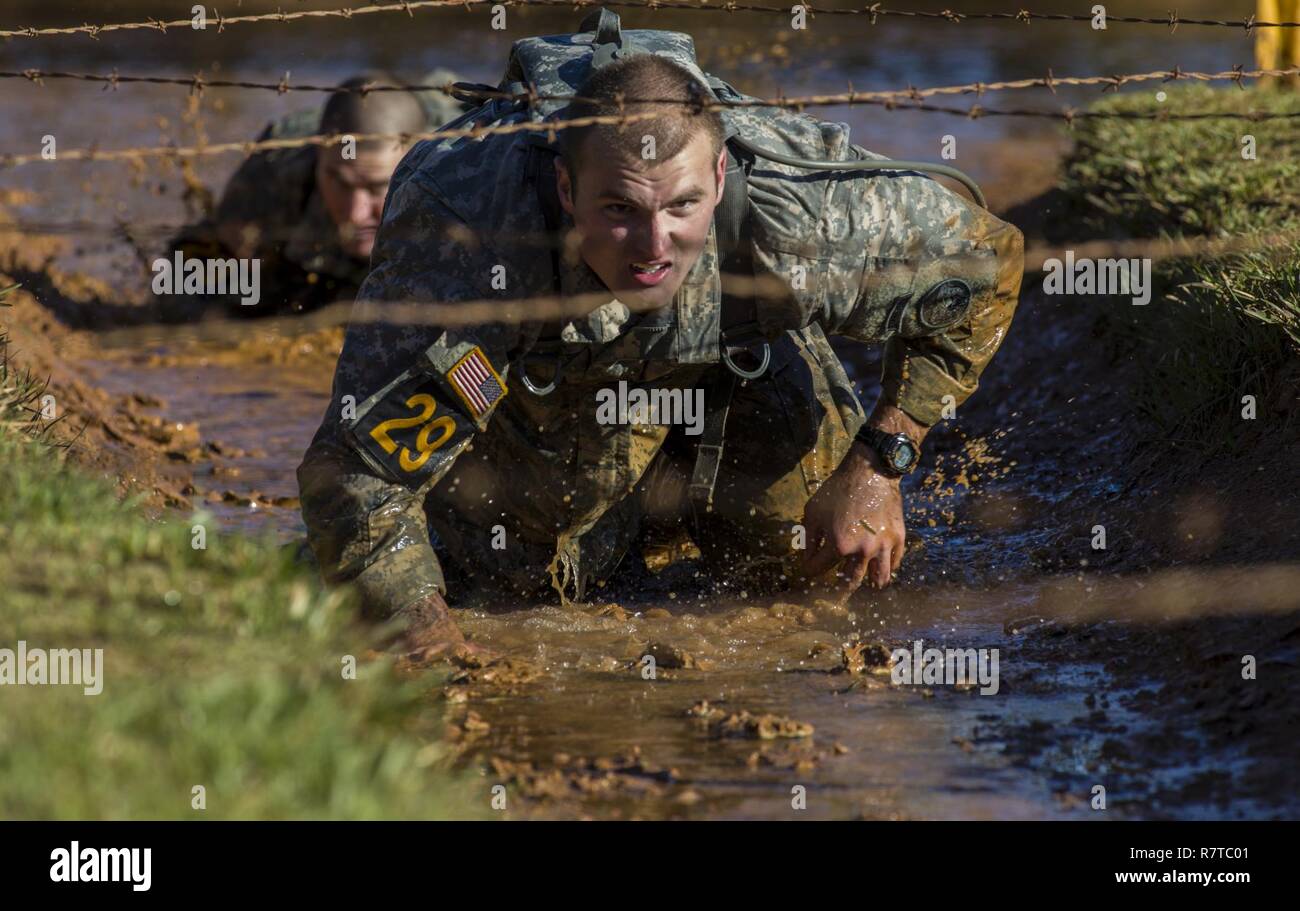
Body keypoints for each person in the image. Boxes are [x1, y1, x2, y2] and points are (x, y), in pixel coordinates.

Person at [296, 13, 1025, 661]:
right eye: (618, 209)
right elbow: (358, 476)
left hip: (730, 381)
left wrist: (881, 461)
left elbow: (989, 267)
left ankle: (680, 525)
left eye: (682, 205)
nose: (653, 246)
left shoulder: (802, 215)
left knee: (820, 585)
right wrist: (421, 637)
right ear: (565, 190)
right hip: (525, 412)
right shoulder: (465, 238)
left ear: (717, 174)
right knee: (495, 591)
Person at [164, 70, 465, 316]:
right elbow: (188, 270)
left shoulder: (465, 180)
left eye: (376, 187)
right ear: (318, 160)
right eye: (340, 183)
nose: (355, 213)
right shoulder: (273, 172)